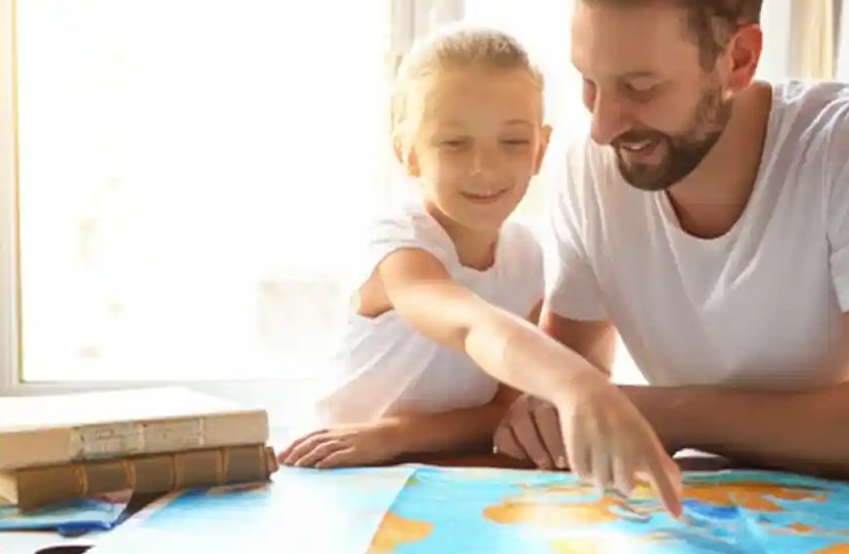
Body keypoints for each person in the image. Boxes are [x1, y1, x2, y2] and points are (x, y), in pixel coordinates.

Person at [492, 0, 849, 484]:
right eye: (589, 83)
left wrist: (669, 415)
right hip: (699, 515)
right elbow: (556, 393)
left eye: (640, 86)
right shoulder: (592, 168)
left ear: (739, 60)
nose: (604, 127)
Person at [276, 26, 683, 515]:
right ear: (406, 151)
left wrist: (400, 435)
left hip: (444, 474)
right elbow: (468, 324)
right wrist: (579, 384)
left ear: (540, 148)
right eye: (454, 143)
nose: (484, 168)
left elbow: (500, 411)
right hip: (341, 477)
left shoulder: (527, 256)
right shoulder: (399, 243)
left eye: (512, 141)